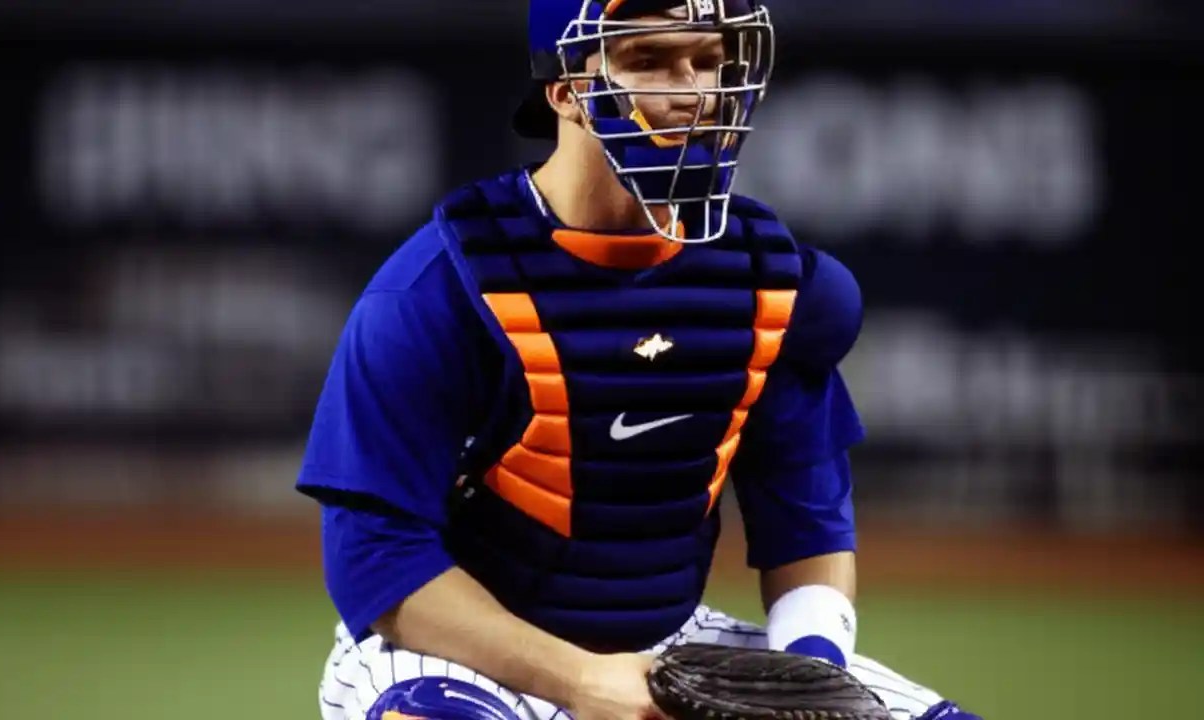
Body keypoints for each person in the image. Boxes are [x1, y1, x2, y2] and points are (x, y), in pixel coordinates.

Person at [296, 2, 981, 719]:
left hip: (665, 643)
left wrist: (810, 674)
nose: (692, 90)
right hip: (463, 654)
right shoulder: (441, 287)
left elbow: (806, 522)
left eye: (709, 62)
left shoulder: (766, 280)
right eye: (650, 60)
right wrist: (585, 684)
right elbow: (376, 564)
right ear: (565, 91)